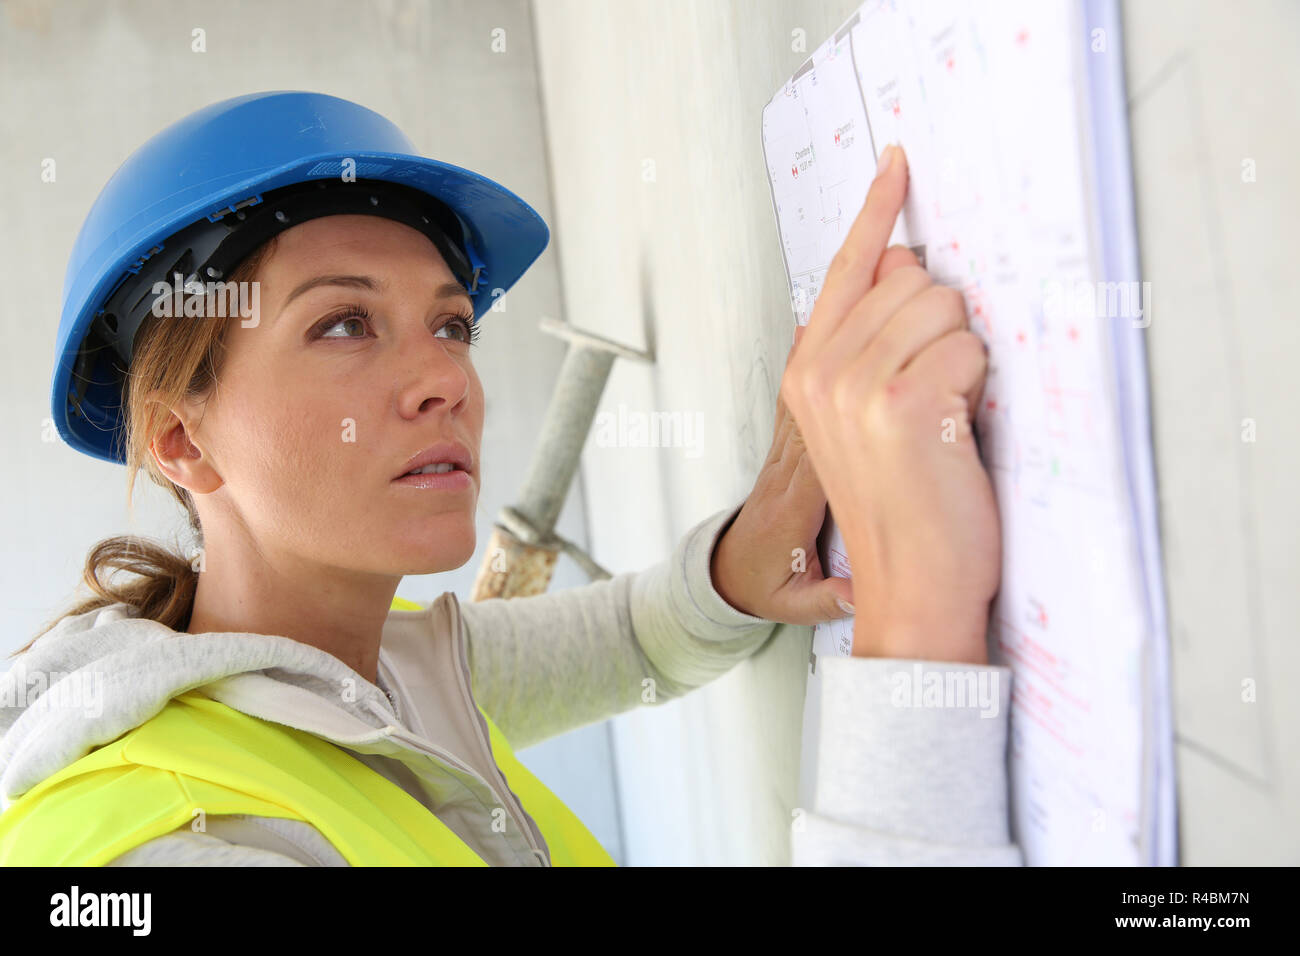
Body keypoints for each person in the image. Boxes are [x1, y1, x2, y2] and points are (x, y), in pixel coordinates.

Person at [0, 91, 1021, 866]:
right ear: (181, 440)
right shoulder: (172, 842)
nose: (444, 379)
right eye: (344, 324)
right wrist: (916, 611)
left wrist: (737, 565)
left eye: (451, 325)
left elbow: (631, 640)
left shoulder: (381, 668)